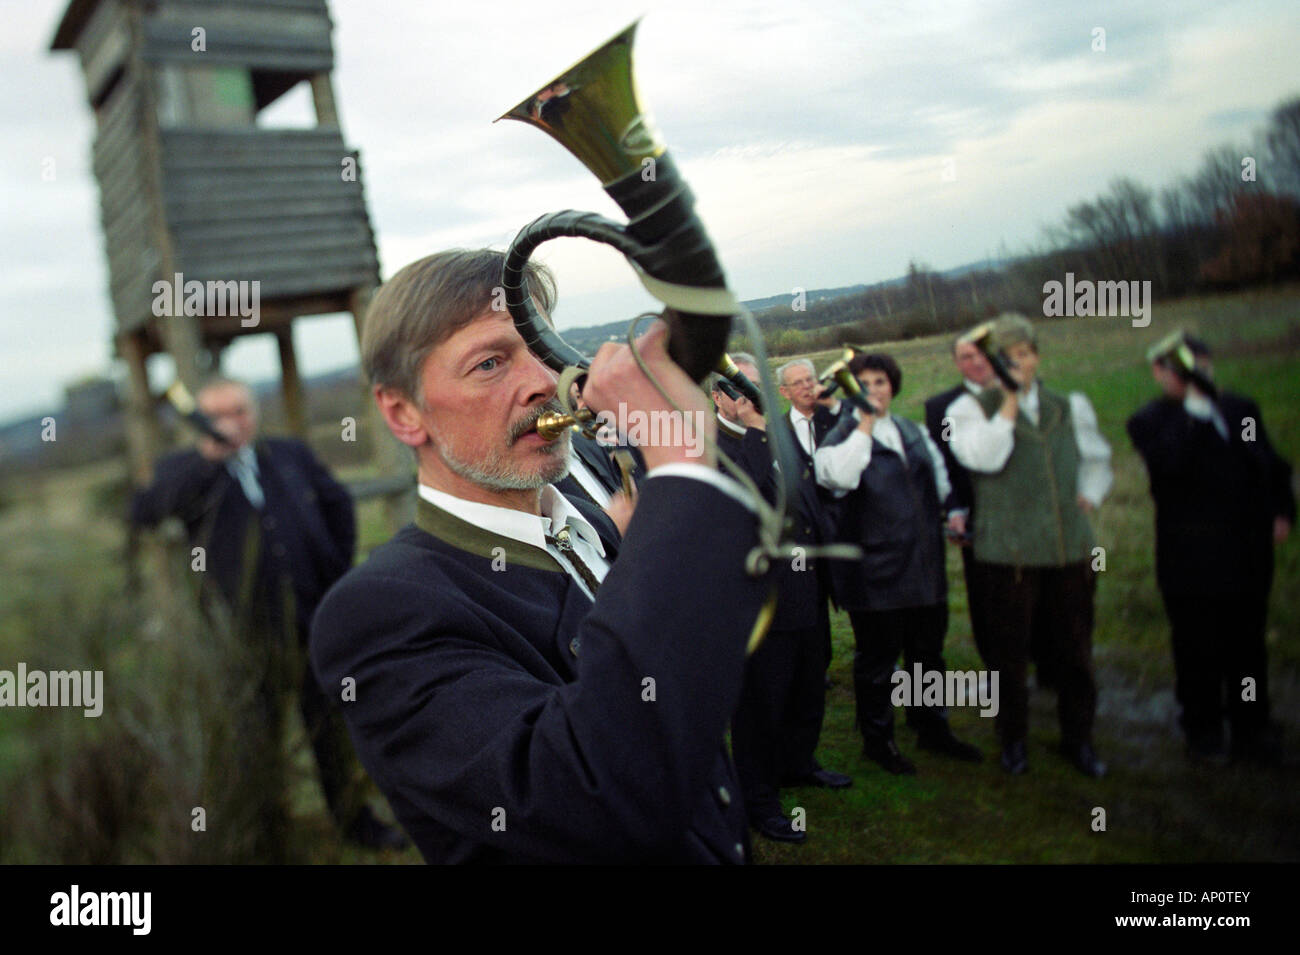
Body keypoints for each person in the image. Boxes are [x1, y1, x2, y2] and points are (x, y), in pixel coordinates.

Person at [309, 249, 771, 863]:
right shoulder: (374, 615)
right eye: (491, 362)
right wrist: (678, 465)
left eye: (542, 346)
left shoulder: (585, 521)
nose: (542, 382)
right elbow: (600, 791)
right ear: (403, 412)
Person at [129, 377, 406, 852]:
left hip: (312, 621)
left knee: (331, 733)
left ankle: (354, 822)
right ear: (202, 420)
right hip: (245, 635)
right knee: (256, 739)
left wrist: (336, 568)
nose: (231, 422)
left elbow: (337, 503)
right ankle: (268, 833)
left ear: (252, 414)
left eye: (239, 411)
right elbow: (147, 513)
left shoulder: (286, 454)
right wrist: (206, 460)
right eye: (218, 414)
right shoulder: (186, 469)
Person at [946, 314, 1113, 777]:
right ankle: (1012, 741)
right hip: (1008, 558)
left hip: (1068, 552)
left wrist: (1091, 492)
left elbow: (1097, 459)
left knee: (1076, 652)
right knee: (1009, 657)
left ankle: (1078, 739)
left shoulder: (1070, 404)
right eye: (1006, 357)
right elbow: (985, 456)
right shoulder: (967, 410)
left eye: (1023, 354)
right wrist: (1010, 403)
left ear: (1036, 356)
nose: (1016, 364)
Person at [1127, 335, 1293, 764]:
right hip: (1192, 561)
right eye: (1182, 371)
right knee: (1198, 649)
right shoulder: (1150, 421)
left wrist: (1281, 510)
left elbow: (1266, 461)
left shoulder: (1240, 410)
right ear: (1159, 373)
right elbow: (1170, 468)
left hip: (1246, 553)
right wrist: (1195, 415)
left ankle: (1250, 724)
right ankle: (1203, 730)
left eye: (1202, 367)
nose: (1196, 378)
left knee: (1247, 648)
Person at [816, 352, 983, 774]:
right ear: (853, 392)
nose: (875, 390)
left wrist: (954, 511)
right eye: (865, 383)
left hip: (924, 568)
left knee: (928, 653)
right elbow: (839, 478)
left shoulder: (912, 431)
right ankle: (879, 739)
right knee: (878, 661)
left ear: (893, 386)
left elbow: (938, 478)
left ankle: (931, 727)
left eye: (881, 382)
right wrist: (865, 425)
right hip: (875, 574)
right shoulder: (839, 438)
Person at [710, 355, 850, 846]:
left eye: (753, 386)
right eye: (738, 387)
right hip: (763, 602)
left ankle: (800, 763)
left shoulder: (778, 432)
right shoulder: (715, 443)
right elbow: (739, 503)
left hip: (808, 588)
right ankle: (759, 801)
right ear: (718, 396)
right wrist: (753, 429)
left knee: (808, 687)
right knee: (761, 705)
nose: (749, 395)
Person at [927, 333, 1057, 688]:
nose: (976, 362)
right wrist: (954, 508)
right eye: (966, 357)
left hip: (1031, 510)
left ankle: (1048, 664)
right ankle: (999, 669)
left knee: (1042, 587)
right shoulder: (941, 407)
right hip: (979, 517)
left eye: (982, 355)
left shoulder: (1026, 392)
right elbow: (944, 464)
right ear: (957, 363)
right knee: (987, 596)